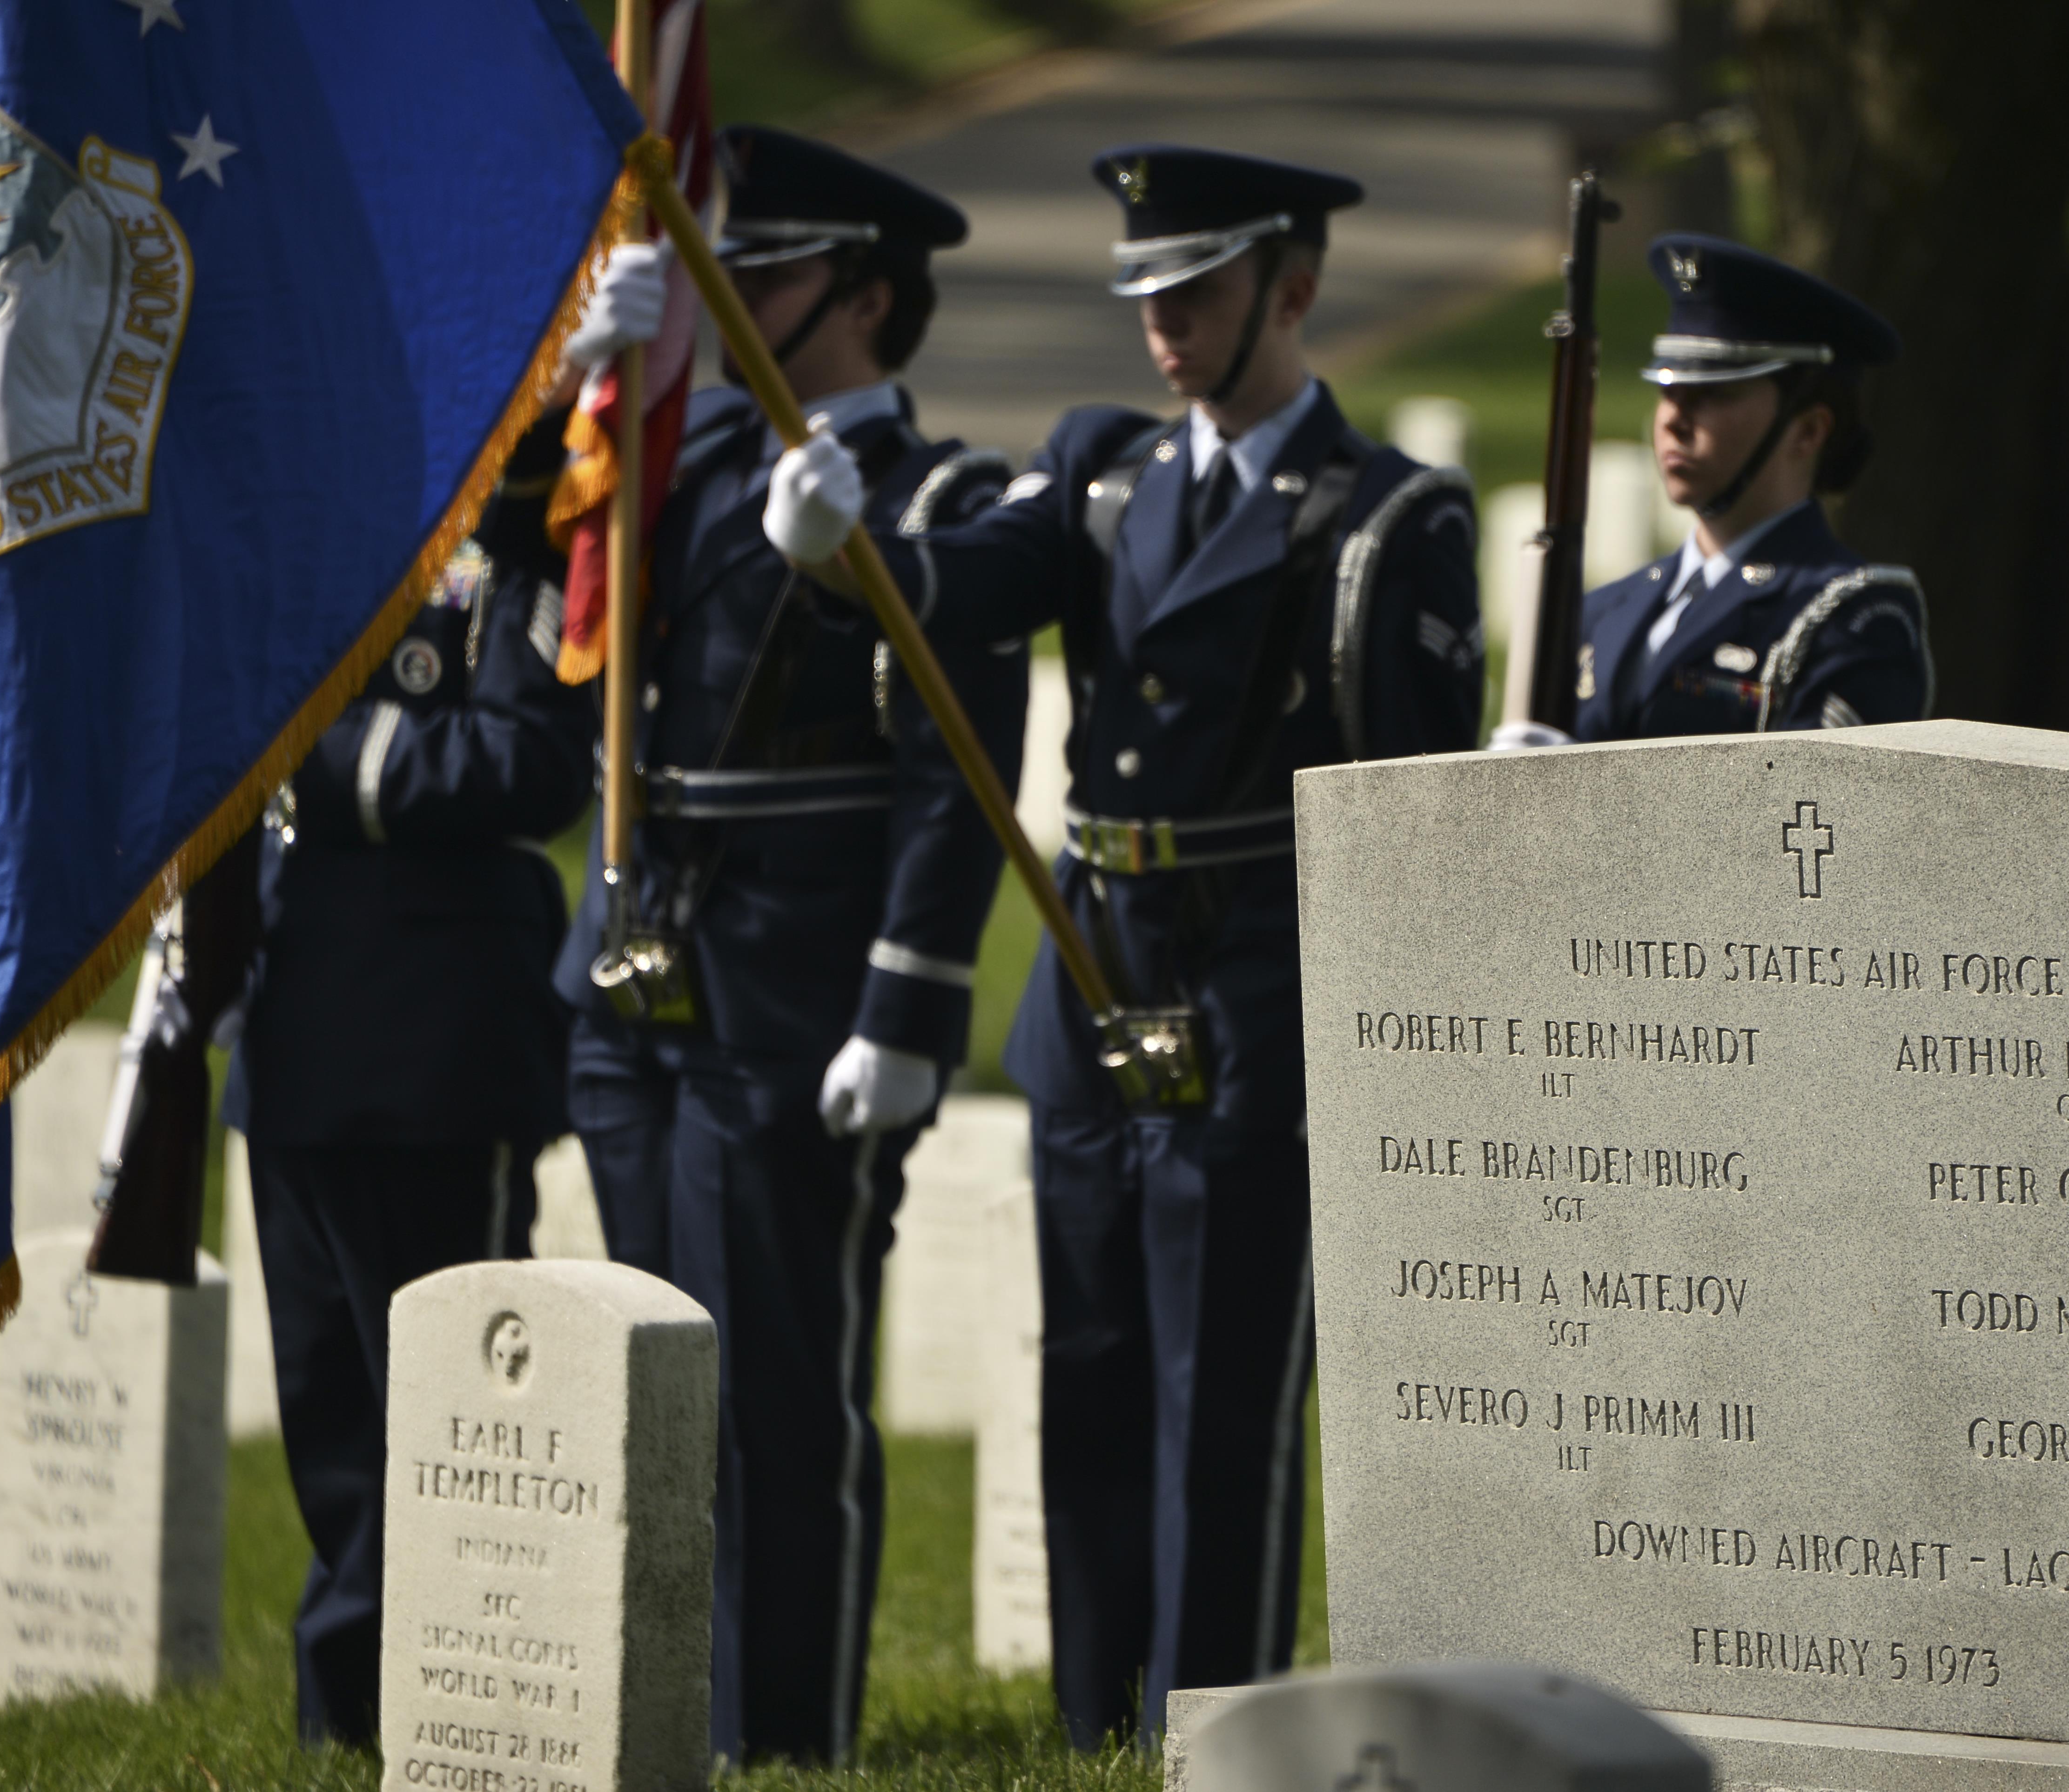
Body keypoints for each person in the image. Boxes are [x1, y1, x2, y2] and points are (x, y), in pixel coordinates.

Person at [761, 142, 1485, 1749]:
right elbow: (968, 587)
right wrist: (847, 559)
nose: (1161, 326)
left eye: (1197, 292)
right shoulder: (1100, 469)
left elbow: (1413, 816)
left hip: (1244, 989)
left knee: (1215, 1402)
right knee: (1086, 1372)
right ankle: (1099, 1735)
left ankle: (1208, 1736)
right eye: (1145, 295)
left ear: (1287, 290)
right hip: (1092, 977)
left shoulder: (1380, 518)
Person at [553, 125, 1022, 1765]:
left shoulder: (937, 500)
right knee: (651, 1395)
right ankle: (668, 1720)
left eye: (764, 272)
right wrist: (579, 413)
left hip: (790, 994)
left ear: (865, 299)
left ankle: (783, 1738)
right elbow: (562, 639)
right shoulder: (675, 467)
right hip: (642, 975)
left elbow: (953, 769)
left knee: (768, 1391)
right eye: (722, 269)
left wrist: (907, 1000)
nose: (727, 291)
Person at [222, 494, 596, 1741]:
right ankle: (349, 1712)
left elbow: (534, 760)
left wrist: (313, 754)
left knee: (449, 1416)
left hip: (437, 1040)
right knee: (328, 1398)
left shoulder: (526, 553)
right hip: (290, 1019)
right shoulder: (320, 523)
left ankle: (455, 1704)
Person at [1495, 233, 1931, 747]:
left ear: (1809, 431)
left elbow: (1813, 815)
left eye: (1714, 394)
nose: (1675, 418)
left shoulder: (1853, 618)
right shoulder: (1605, 609)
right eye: (1668, 390)